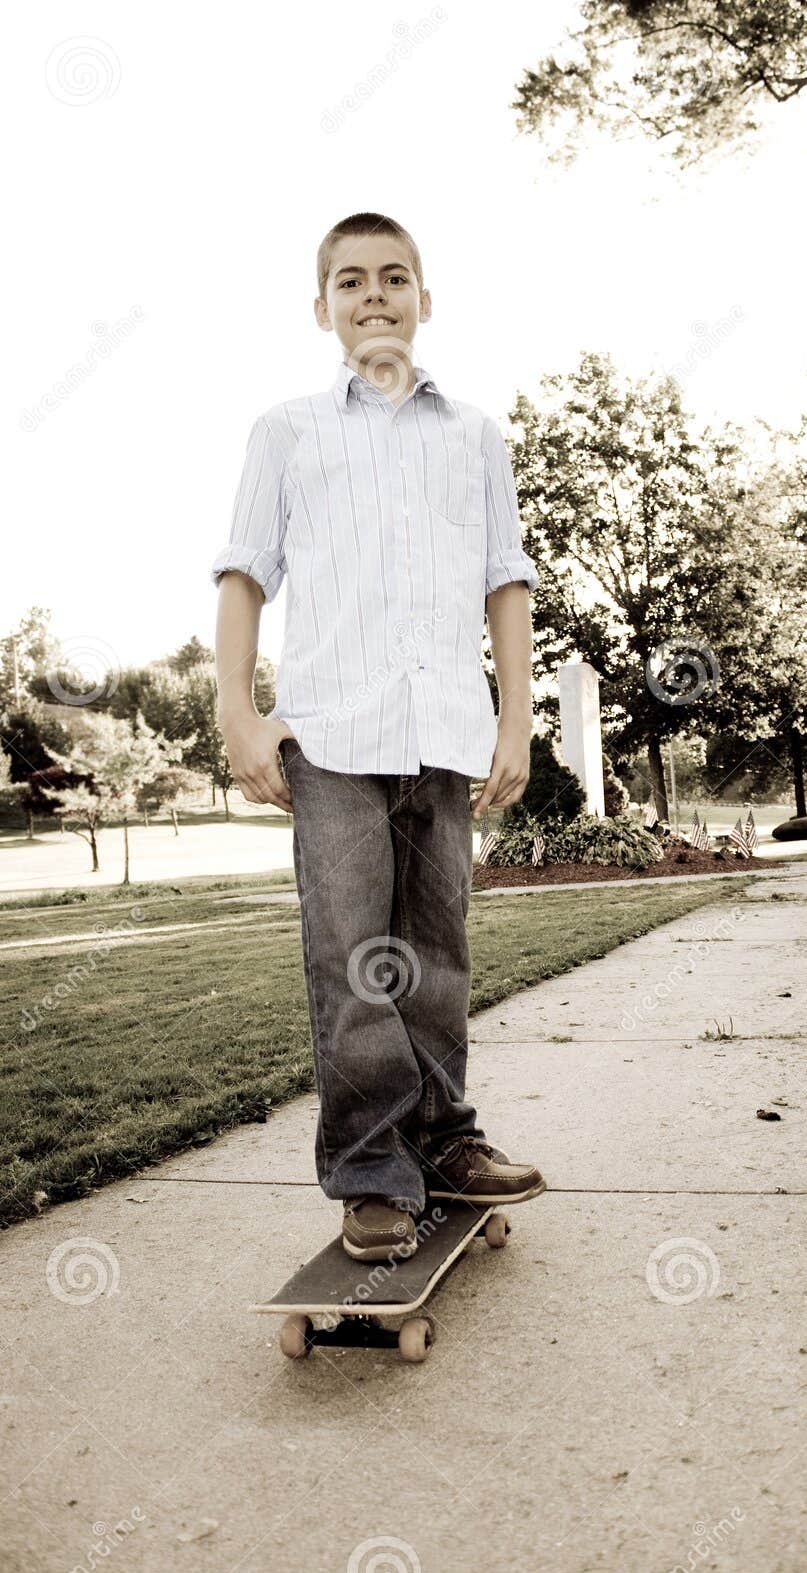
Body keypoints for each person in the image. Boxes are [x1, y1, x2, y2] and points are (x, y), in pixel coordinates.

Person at [211, 212, 546, 1261]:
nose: (373, 295)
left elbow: (505, 579)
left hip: (444, 732)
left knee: (436, 959)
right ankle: (368, 1173)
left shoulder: (473, 434)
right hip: (332, 740)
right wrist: (237, 709)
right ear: (322, 310)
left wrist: (515, 716)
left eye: (393, 277)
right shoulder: (287, 432)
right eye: (349, 281)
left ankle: (443, 1141)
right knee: (355, 962)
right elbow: (243, 573)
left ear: (424, 300)